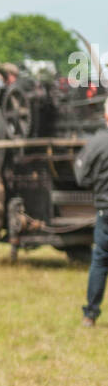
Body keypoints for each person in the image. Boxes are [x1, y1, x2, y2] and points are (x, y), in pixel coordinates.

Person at [74, 99, 108, 326]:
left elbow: (80, 176)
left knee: (100, 260)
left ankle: (90, 315)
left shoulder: (96, 143)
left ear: (105, 116)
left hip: (105, 212)